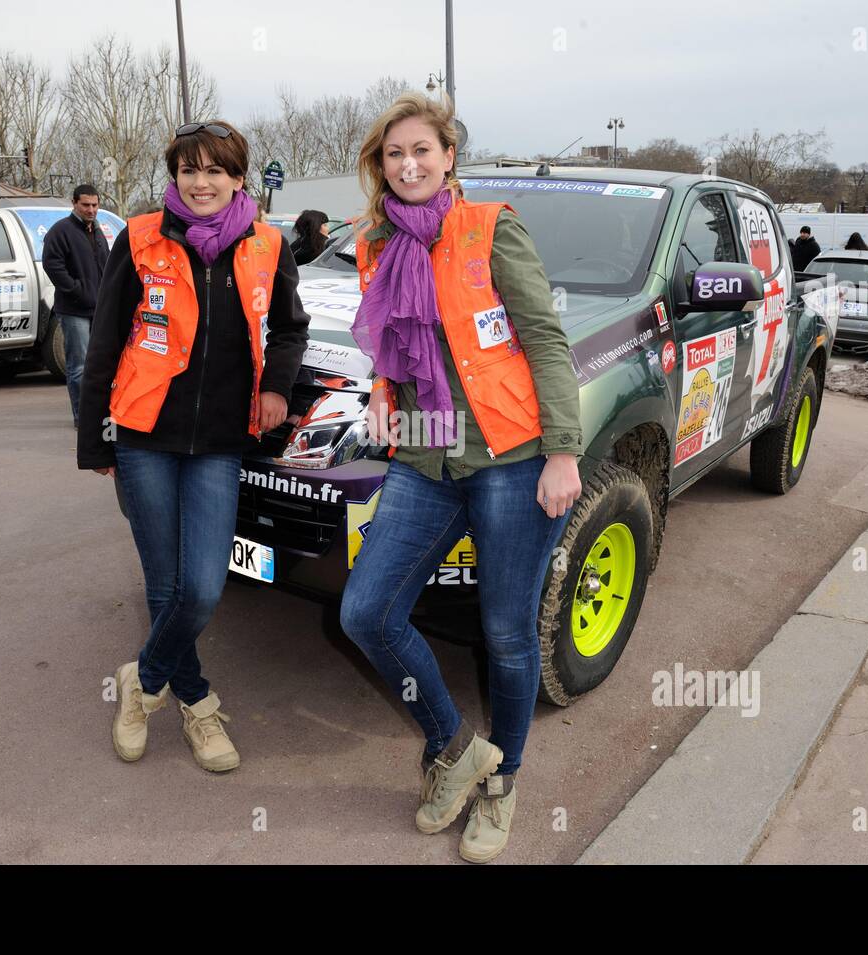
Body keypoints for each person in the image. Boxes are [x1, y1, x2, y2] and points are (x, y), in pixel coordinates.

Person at [338, 93, 583, 863]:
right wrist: (382, 396)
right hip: (424, 451)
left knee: (507, 633)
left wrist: (563, 451)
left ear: (449, 157)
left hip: (513, 458)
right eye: (393, 153)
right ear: (381, 166)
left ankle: (503, 780)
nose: (407, 164)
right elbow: (390, 347)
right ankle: (454, 745)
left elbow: (544, 337)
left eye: (422, 150)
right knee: (366, 611)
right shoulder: (377, 243)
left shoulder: (490, 229)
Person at [76, 120, 310, 771]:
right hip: (144, 436)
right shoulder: (141, 237)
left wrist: (278, 390)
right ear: (174, 175)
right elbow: (103, 343)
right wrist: (95, 438)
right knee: (164, 583)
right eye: (189, 169)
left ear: (240, 177)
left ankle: (142, 679)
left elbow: (290, 329)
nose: (200, 181)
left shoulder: (268, 244)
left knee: (203, 588)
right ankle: (198, 703)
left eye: (215, 169)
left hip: (220, 443)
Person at [43, 184, 110, 426]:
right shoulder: (60, 231)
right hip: (74, 310)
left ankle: (97, 414)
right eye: (86, 205)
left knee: (98, 365)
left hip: (98, 309)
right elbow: (52, 265)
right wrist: (76, 290)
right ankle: (83, 418)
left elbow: (105, 267)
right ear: (74, 203)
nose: (91, 209)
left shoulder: (98, 231)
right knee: (79, 366)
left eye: (95, 205)